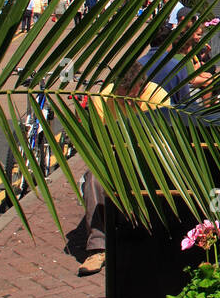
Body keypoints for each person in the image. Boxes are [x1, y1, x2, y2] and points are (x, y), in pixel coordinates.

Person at [77, 22, 199, 276]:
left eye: (128, 95)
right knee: (93, 178)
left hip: (150, 156)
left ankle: (157, 236)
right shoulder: (103, 100)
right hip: (114, 156)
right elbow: (99, 144)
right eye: (119, 94)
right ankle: (98, 247)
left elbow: (168, 138)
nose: (122, 100)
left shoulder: (156, 97)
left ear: (141, 89)